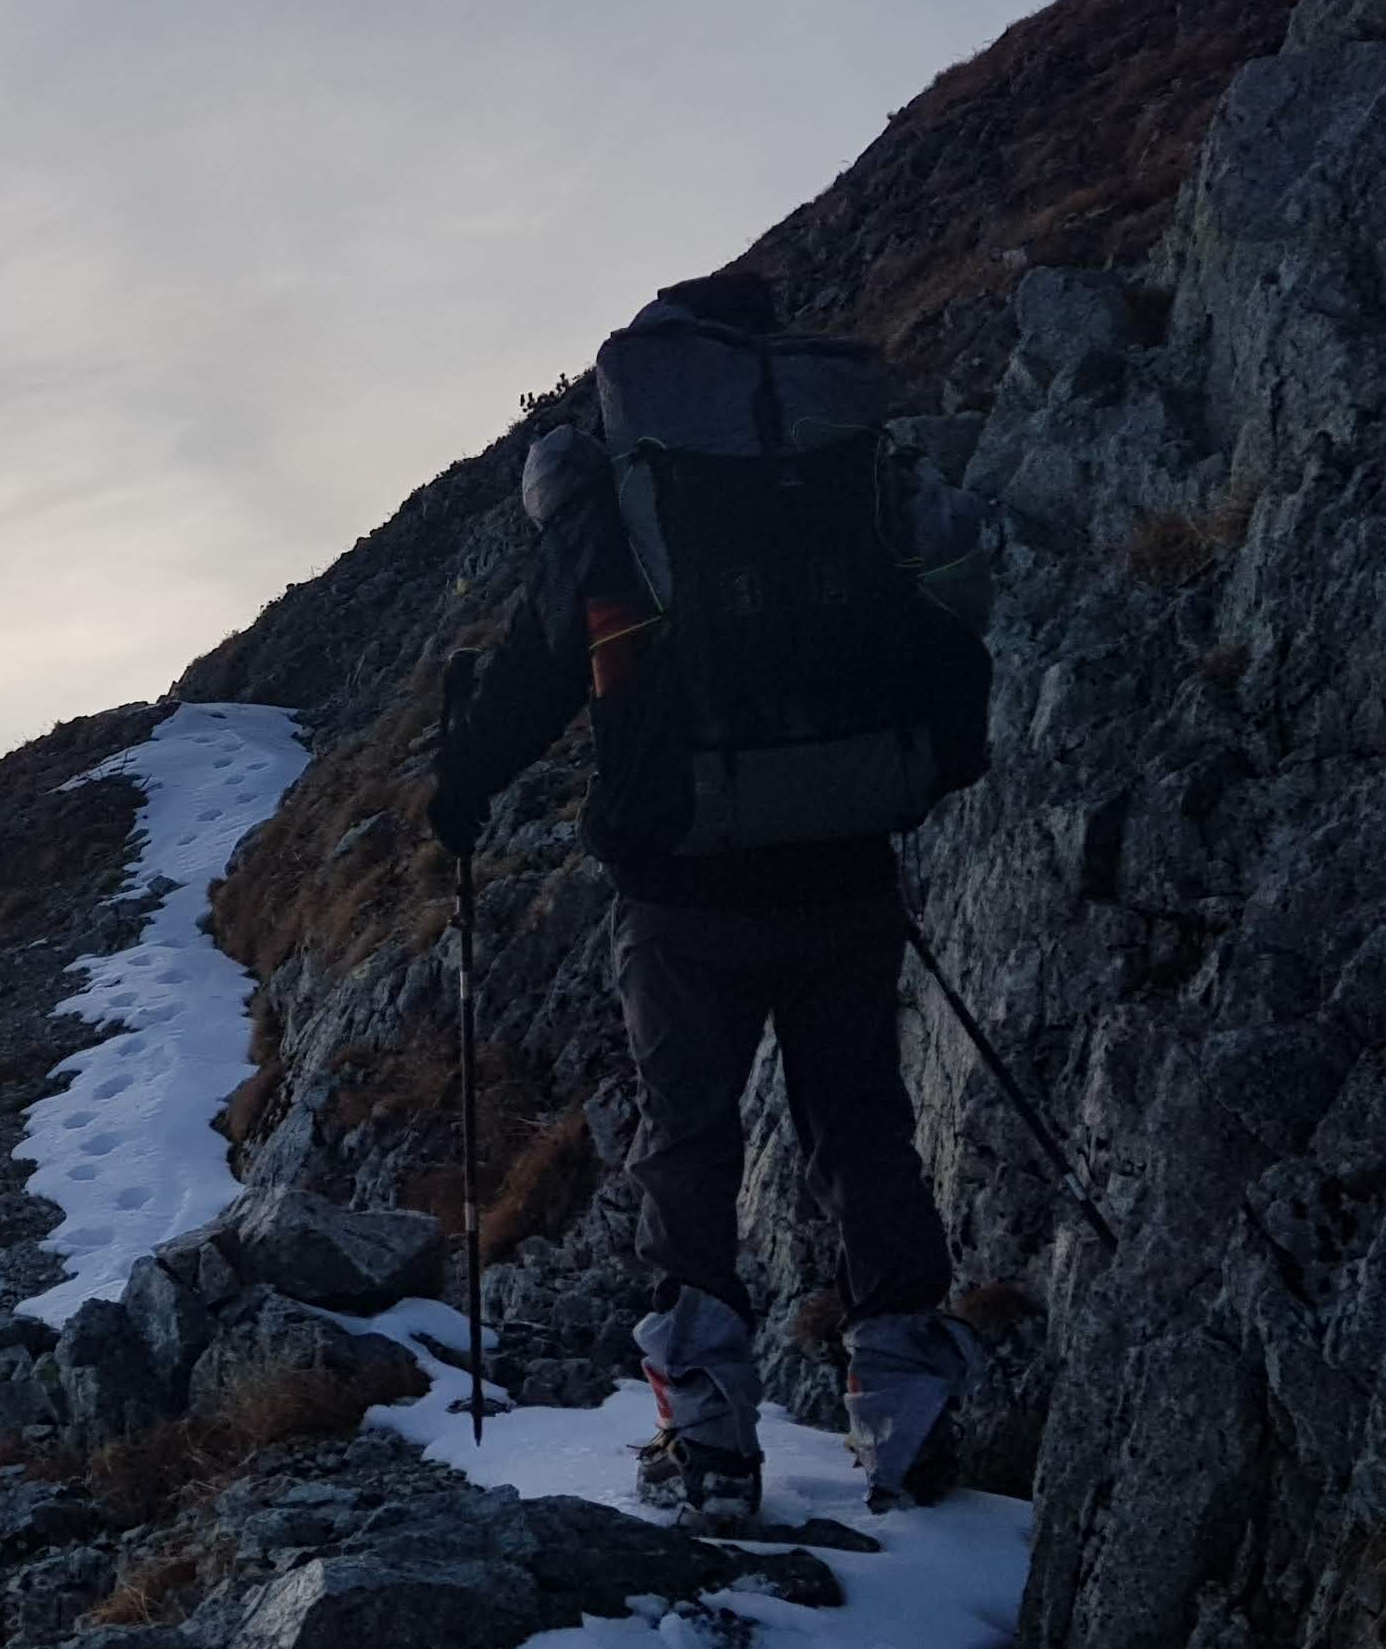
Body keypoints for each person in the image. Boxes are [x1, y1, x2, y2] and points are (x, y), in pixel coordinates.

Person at [427, 268, 997, 1527]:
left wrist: (458, 795)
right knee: (864, 1128)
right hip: (845, 857)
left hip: (683, 883)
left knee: (688, 1139)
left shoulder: (627, 493)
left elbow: (537, 673)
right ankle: (906, 1420)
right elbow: (948, 637)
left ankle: (715, 1443)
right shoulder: (837, 462)